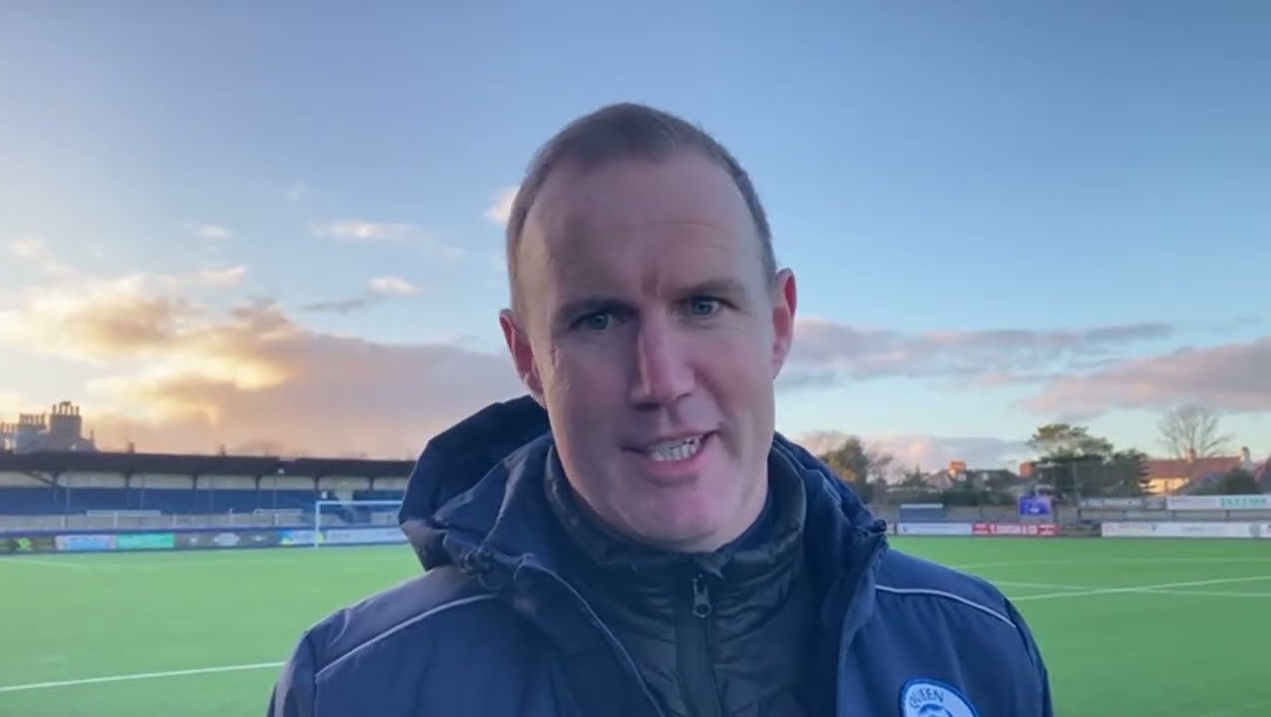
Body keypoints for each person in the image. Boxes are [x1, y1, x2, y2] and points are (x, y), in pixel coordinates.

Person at [267, 102, 1054, 717]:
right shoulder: (351, 691)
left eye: (704, 305)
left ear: (778, 325)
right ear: (528, 358)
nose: (661, 380)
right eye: (597, 319)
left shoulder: (974, 646)